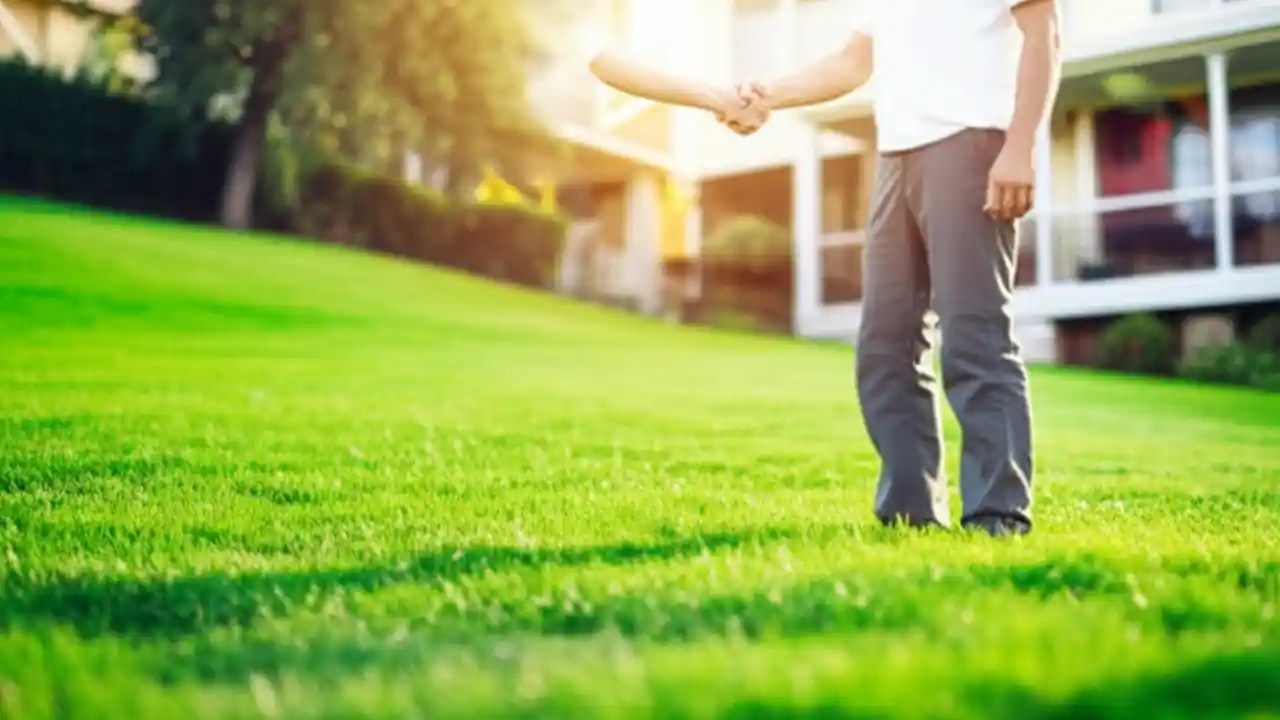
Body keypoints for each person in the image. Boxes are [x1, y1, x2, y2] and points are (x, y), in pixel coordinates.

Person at [588, 0, 1061, 536]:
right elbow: (852, 63)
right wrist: (767, 95)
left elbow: (1044, 34)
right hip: (896, 156)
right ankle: (910, 514)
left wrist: (1020, 146)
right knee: (885, 347)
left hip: (970, 143)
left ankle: (997, 514)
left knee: (976, 337)